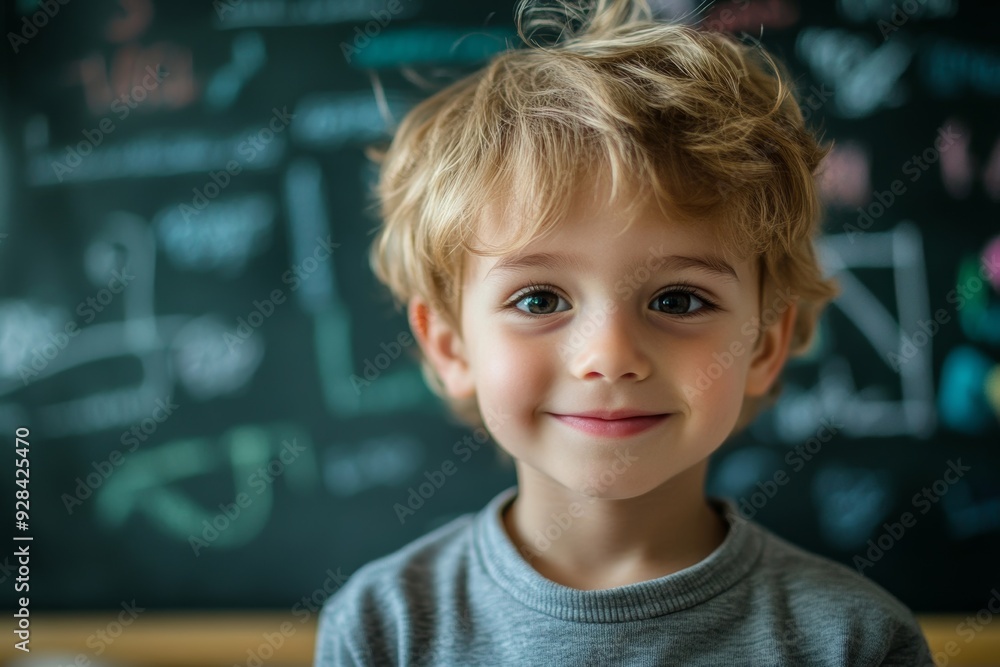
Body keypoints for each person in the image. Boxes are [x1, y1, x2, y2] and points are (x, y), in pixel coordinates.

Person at [314, 0, 934, 663]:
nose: (609, 356)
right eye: (540, 299)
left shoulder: (854, 641)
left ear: (764, 344)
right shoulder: (384, 628)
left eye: (678, 299)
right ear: (449, 345)